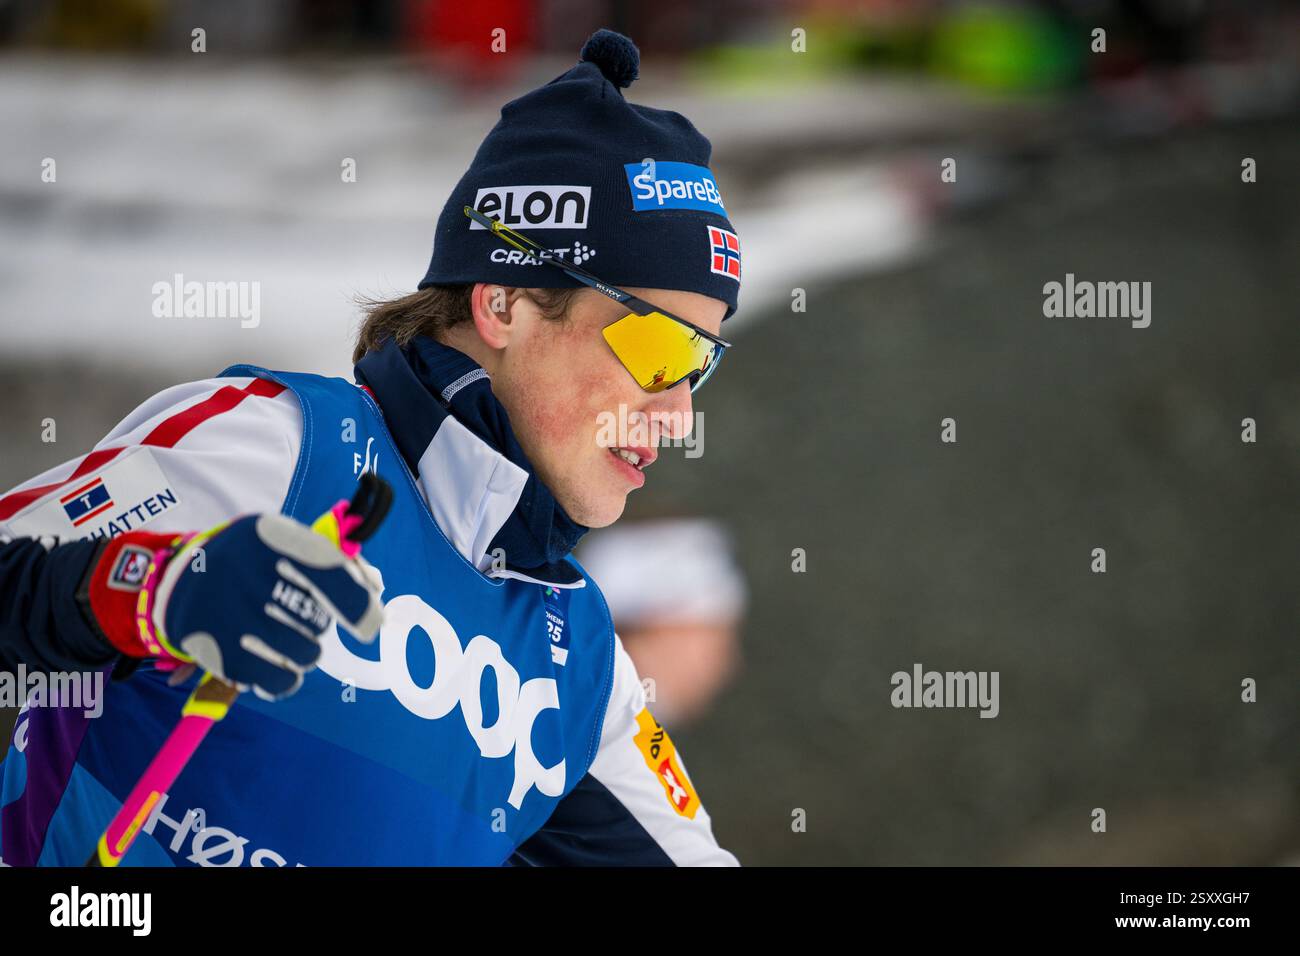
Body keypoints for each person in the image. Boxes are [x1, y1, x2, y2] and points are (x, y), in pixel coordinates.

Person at [0, 29, 742, 867]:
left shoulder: (579, 667)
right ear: (504, 304)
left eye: (701, 363)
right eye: (660, 350)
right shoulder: (277, 450)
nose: (678, 411)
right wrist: (151, 588)